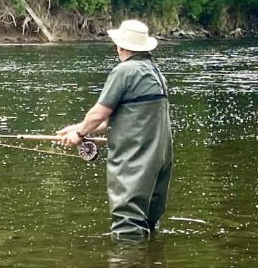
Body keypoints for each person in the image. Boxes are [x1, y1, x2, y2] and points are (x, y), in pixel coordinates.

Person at [56, 19, 173, 239]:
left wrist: (79, 135)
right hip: (159, 159)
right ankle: (150, 267)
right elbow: (122, 118)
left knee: (127, 223)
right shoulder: (155, 73)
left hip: (135, 158)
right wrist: (78, 128)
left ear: (121, 46)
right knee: (147, 220)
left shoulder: (125, 71)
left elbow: (99, 113)